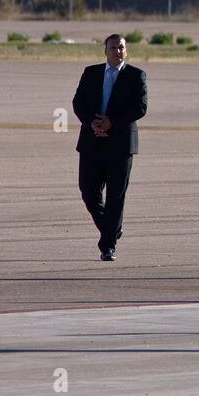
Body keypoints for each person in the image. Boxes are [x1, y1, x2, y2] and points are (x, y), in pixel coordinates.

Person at [72, 34, 148, 261]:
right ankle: (112, 228)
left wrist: (112, 122)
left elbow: (140, 107)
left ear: (127, 51)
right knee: (88, 191)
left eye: (121, 48)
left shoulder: (136, 76)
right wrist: (91, 122)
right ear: (105, 51)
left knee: (116, 196)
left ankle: (108, 246)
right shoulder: (91, 73)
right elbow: (78, 103)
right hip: (91, 142)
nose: (117, 51)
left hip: (121, 145)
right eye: (113, 47)